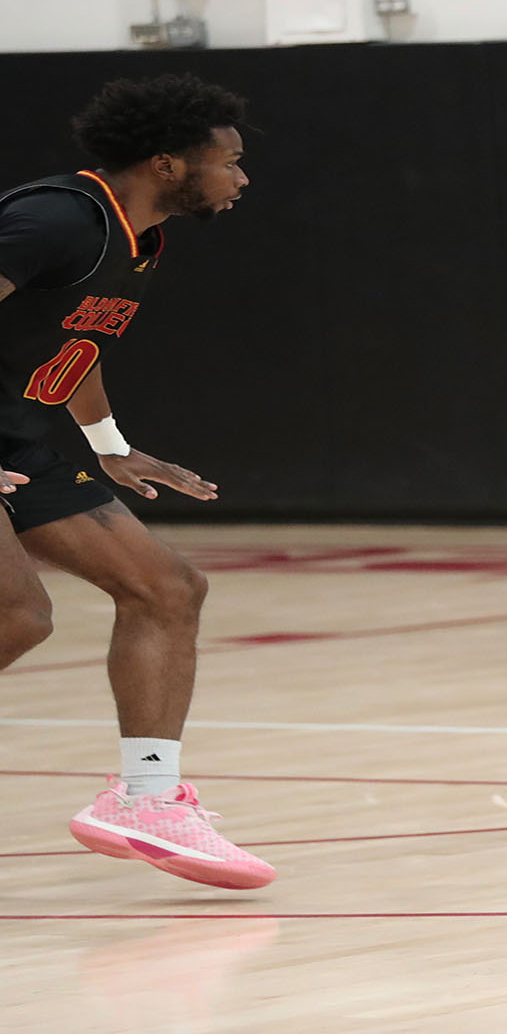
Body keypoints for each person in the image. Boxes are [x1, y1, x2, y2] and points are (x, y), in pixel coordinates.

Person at [0, 72, 274, 887]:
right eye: (229, 160)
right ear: (167, 164)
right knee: (19, 613)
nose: (241, 176)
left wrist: (109, 443)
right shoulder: (55, 218)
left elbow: (69, 344)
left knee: (167, 589)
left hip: (23, 440)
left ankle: (146, 800)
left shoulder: (137, 239)